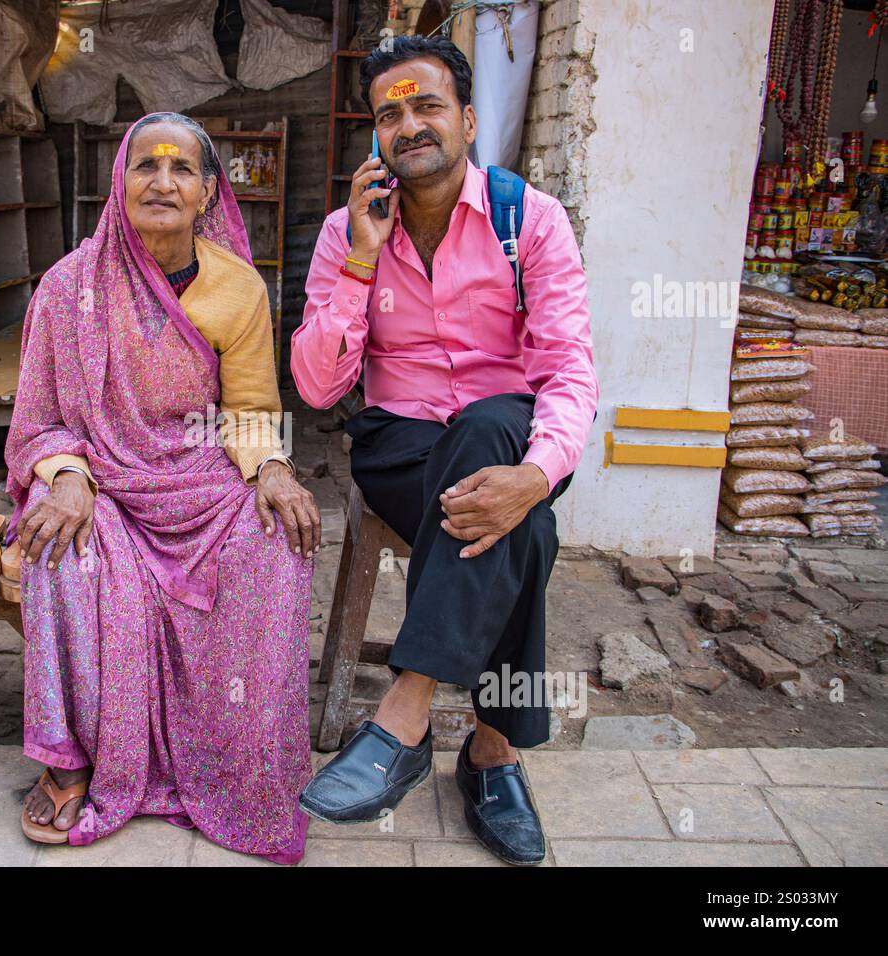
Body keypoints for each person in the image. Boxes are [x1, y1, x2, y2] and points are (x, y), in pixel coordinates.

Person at [291, 36, 598, 865]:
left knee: (502, 453)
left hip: (513, 442)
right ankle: (493, 752)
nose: (408, 123)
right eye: (389, 112)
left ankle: (407, 711)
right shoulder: (345, 232)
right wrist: (361, 256)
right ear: (376, 137)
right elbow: (319, 389)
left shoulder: (528, 220)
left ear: (467, 118)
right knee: (512, 513)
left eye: (426, 104)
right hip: (398, 445)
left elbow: (569, 370)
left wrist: (535, 476)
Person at [4, 112, 321, 864]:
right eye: (147, 165)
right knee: (60, 550)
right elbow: (38, 420)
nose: (164, 181)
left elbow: (247, 412)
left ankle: (226, 753)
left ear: (209, 192)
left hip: (199, 479)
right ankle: (72, 758)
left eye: (183, 169)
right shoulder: (68, 287)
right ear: (122, 180)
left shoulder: (236, 287)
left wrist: (272, 469)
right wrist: (71, 478)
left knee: (277, 544)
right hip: (102, 482)